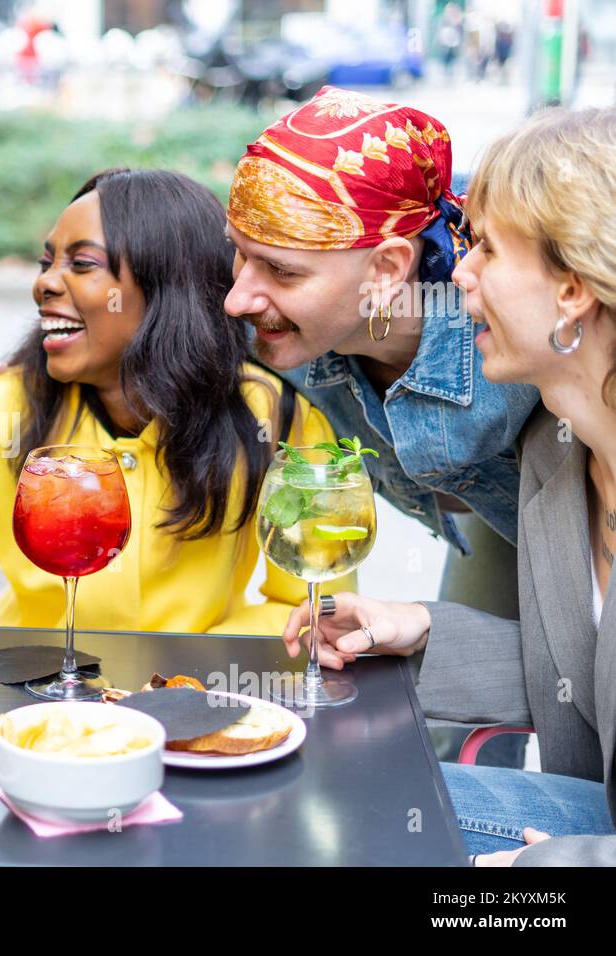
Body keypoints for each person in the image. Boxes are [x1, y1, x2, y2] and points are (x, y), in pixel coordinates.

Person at [278, 108, 616, 866]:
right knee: (304, 783)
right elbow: (584, 680)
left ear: (572, 290)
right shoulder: (557, 465)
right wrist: (420, 632)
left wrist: (570, 865)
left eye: (486, 250)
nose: (454, 274)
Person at [0, 169, 351, 635]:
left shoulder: (281, 421)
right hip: (31, 706)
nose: (44, 284)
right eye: (47, 264)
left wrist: (192, 673)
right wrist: (8, 656)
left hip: (201, 704)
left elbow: (311, 604)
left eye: (82, 264)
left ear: (170, 288)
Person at [223, 85, 540, 764]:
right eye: (237, 254)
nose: (238, 296)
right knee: (454, 729)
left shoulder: (519, 337)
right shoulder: (285, 317)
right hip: (498, 523)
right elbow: (137, 283)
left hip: (571, 530)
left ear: (388, 268)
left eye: (279, 269)